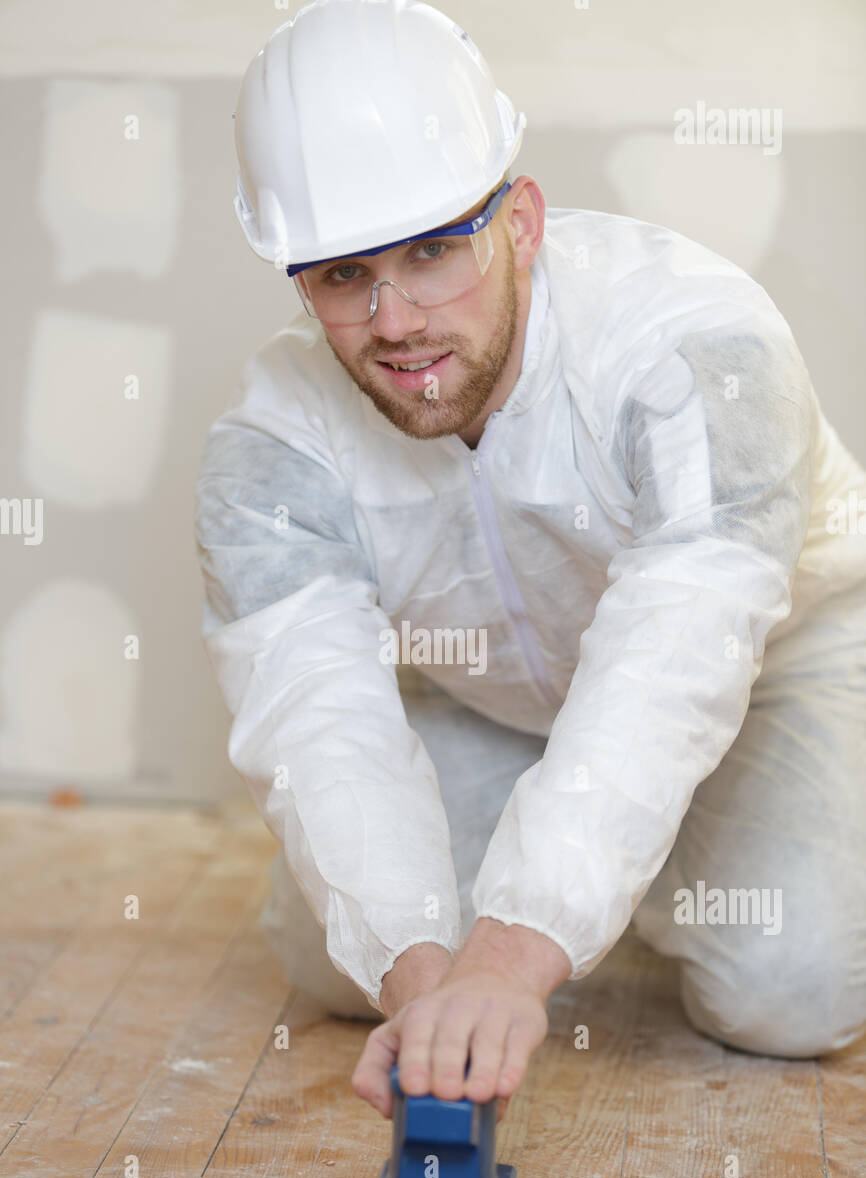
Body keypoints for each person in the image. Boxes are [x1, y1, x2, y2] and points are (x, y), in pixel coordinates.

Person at [195, 0, 866, 1120]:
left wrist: (510, 957)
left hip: (777, 663)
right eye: (341, 276)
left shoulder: (690, 344)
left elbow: (677, 648)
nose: (395, 319)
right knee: (343, 966)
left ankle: (649, 872)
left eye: (431, 250)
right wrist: (423, 982)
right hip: (494, 694)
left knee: (783, 990)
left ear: (519, 220)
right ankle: (585, 868)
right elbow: (315, 712)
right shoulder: (273, 441)